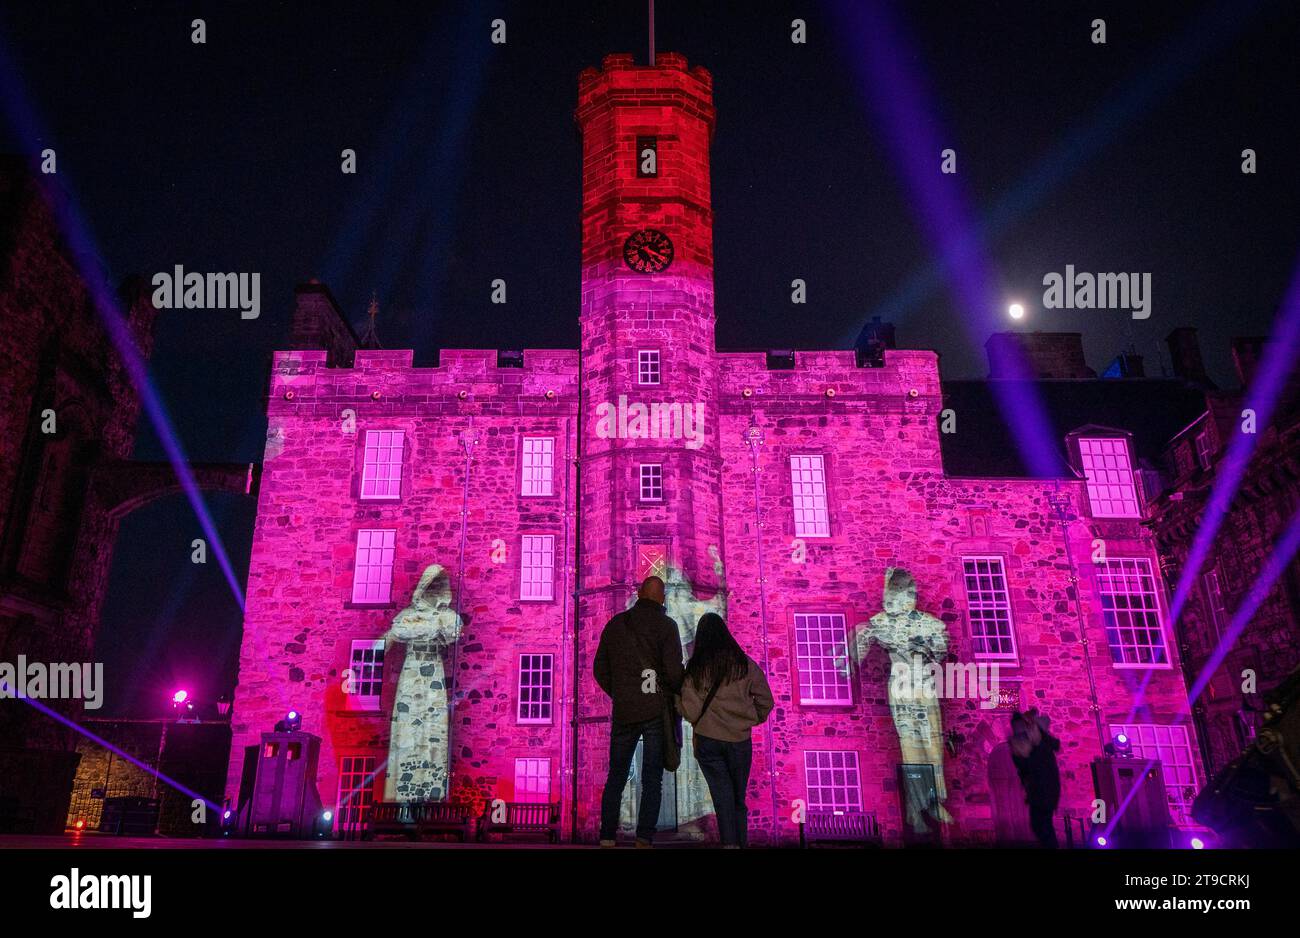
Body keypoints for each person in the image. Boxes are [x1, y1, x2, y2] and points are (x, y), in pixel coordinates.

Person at [594, 576, 683, 847]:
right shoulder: (667, 627)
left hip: (625, 709)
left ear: (639, 593)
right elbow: (674, 672)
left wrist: (620, 692)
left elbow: (600, 669)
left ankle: (607, 835)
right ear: (663, 598)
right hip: (655, 709)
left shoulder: (616, 625)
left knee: (617, 774)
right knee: (652, 777)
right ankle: (644, 836)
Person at [676, 612, 774, 847]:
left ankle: (730, 844)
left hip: (708, 741)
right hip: (739, 741)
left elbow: (690, 711)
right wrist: (748, 718)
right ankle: (740, 843)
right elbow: (766, 701)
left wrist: (675, 701)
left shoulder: (697, 667)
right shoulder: (744, 664)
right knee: (738, 798)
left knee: (722, 798)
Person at [1010, 708, 1062, 848]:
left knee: (1042, 827)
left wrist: (1019, 755)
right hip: (1043, 793)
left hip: (1043, 793)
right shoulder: (1039, 745)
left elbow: (1030, 767)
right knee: (1043, 827)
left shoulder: (1039, 747)